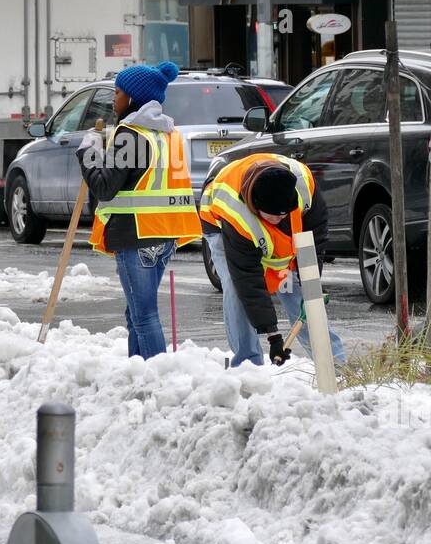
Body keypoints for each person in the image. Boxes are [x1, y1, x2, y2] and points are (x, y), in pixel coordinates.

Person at [77, 60, 202, 359]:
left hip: (138, 237)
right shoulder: (169, 134)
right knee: (136, 313)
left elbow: (105, 186)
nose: (113, 100)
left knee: (144, 316)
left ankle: (156, 375)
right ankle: (139, 370)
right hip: (165, 234)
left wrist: (88, 152)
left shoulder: (131, 134)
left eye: (118, 93)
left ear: (133, 98)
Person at [201, 152, 346, 368]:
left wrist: (310, 284)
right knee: (235, 288)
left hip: (272, 229)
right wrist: (273, 336)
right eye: (273, 216)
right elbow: (248, 280)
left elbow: (315, 240)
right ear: (256, 206)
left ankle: (333, 362)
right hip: (219, 225)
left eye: (284, 214)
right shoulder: (237, 215)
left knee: (297, 289)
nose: (278, 219)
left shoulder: (304, 188)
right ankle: (248, 364)